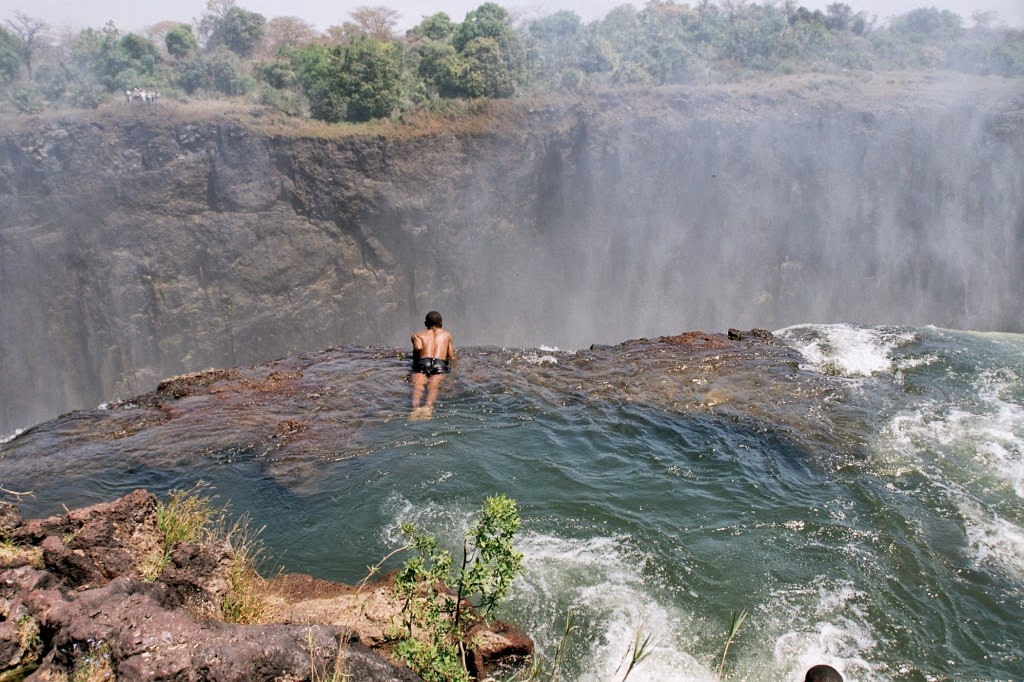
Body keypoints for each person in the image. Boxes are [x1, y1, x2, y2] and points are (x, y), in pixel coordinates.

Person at [409, 310, 454, 420]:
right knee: (433, 388)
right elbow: (451, 356)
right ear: (441, 324)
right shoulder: (447, 335)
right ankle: (427, 408)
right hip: (440, 363)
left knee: (418, 386)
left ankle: (415, 409)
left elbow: (418, 347)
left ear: (425, 324)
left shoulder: (418, 335)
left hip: (423, 362)